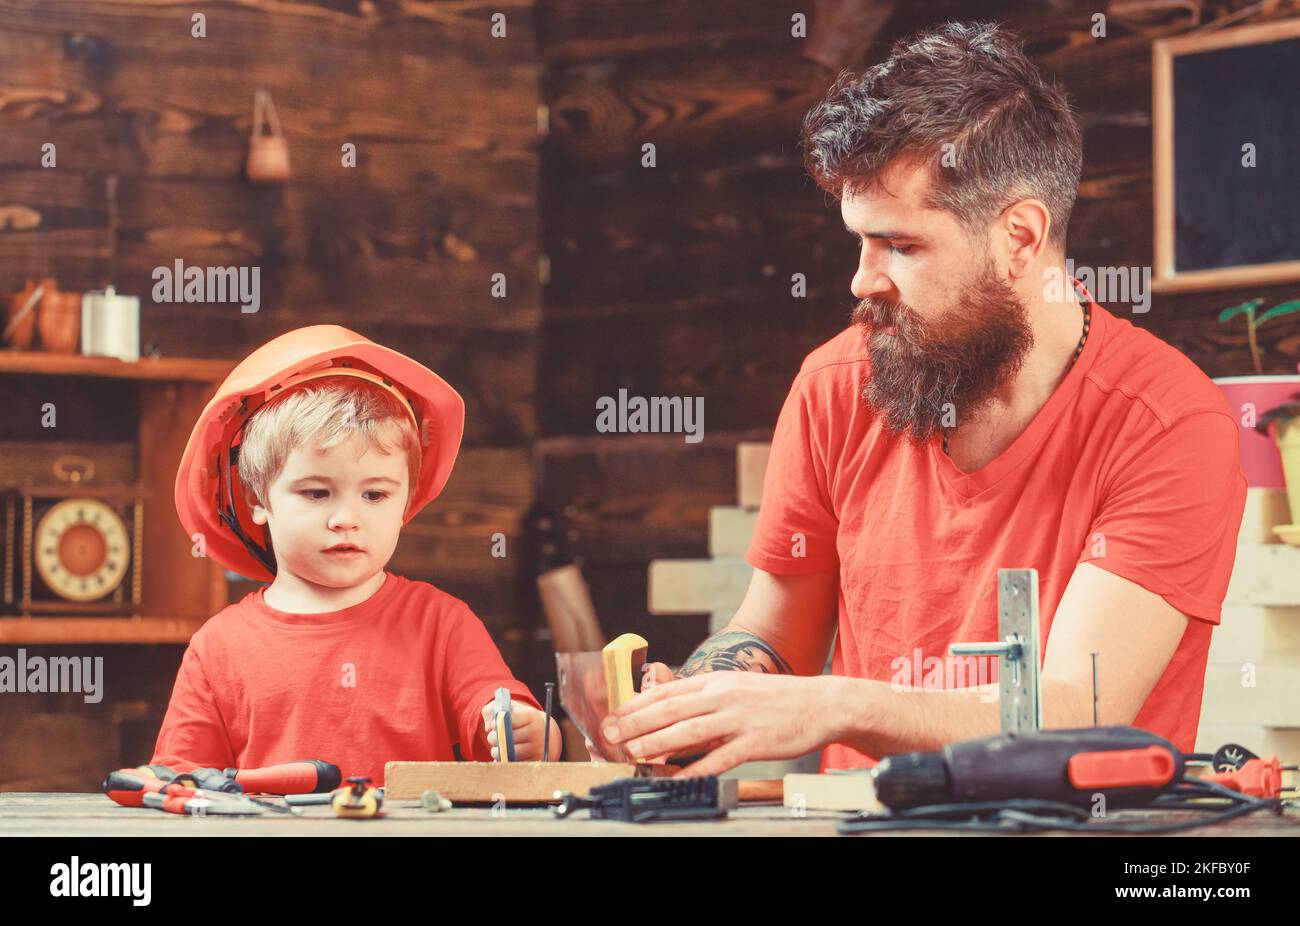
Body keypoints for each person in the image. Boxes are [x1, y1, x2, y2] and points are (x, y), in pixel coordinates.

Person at [600, 21, 1247, 776]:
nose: (862, 279)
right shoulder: (836, 385)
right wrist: (702, 698)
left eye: (901, 246)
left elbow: (1074, 709)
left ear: (1019, 239)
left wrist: (840, 705)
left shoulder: (1170, 420)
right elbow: (775, 636)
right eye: (859, 241)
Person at [153, 325, 558, 784]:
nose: (346, 518)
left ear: (405, 501)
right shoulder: (217, 647)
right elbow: (177, 782)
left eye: (374, 496)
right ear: (257, 501)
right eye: (317, 492)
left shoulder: (441, 623)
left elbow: (498, 719)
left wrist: (527, 732)